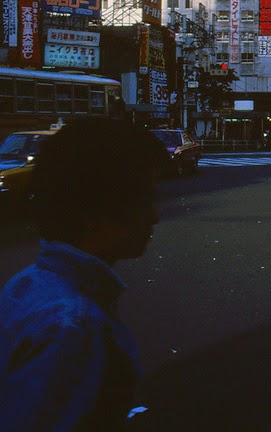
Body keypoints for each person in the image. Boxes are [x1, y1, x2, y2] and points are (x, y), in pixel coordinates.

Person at [0, 118, 166, 431]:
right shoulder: (73, 327)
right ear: (92, 215)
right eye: (143, 200)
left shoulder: (27, 285)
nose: (154, 217)